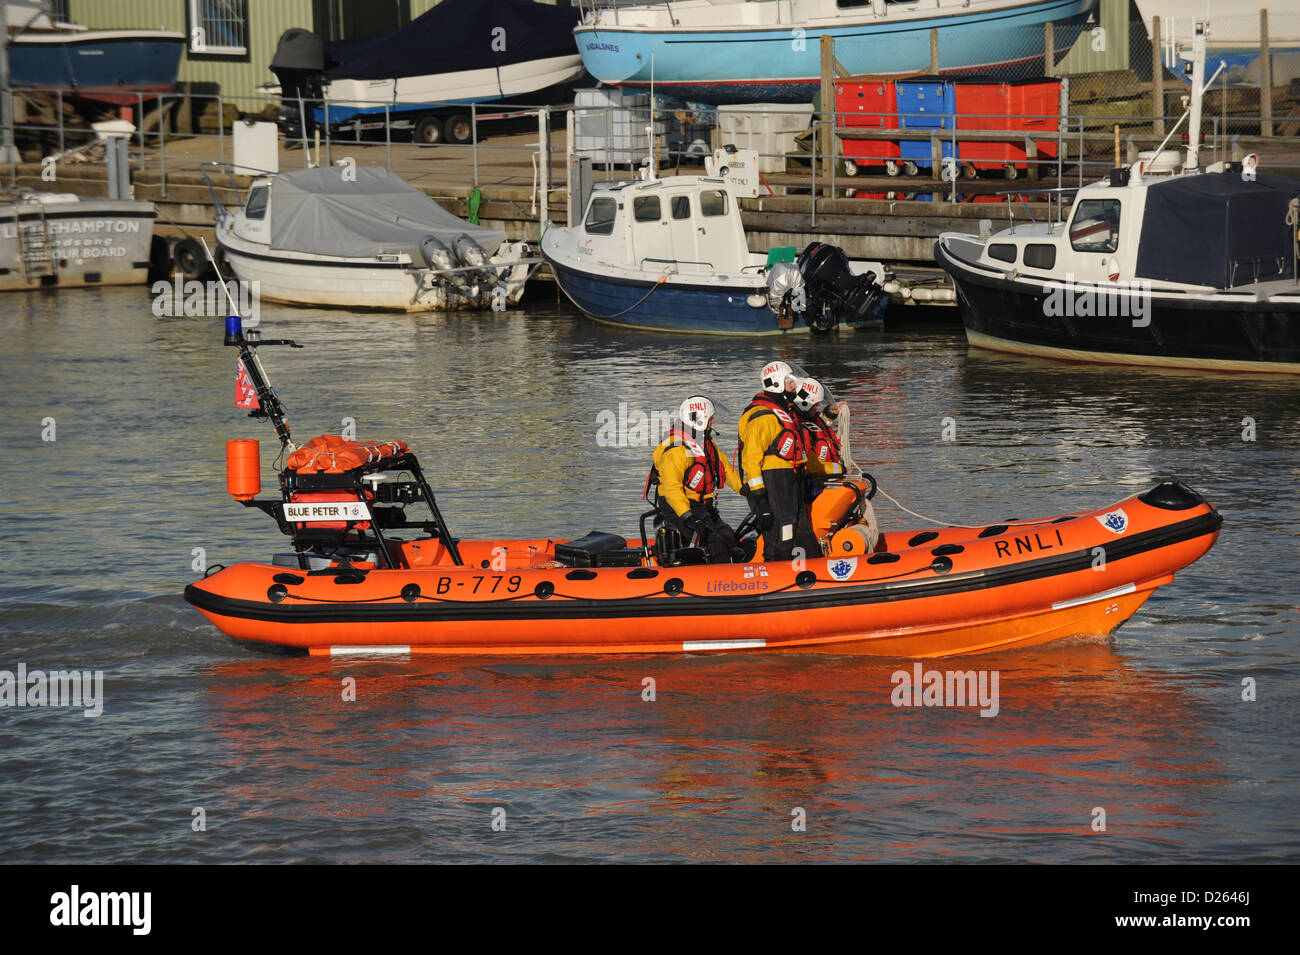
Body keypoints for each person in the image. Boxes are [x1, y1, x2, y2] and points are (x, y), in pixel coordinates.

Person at [736, 361, 821, 562]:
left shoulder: (785, 412)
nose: (795, 386)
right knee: (782, 532)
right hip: (775, 481)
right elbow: (750, 461)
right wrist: (760, 498)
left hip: (791, 479)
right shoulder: (763, 417)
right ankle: (774, 572)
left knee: (802, 531)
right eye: (790, 382)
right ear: (776, 383)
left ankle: (815, 566)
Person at [646, 395, 742, 563]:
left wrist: (749, 490)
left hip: (700, 504)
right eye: (710, 418)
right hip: (679, 506)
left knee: (727, 535)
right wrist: (687, 516)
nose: (714, 421)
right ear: (699, 420)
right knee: (715, 544)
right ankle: (720, 578)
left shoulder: (704, 443)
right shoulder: (677, 450)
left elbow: (725, 470)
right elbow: (672, 488)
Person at [792, 377, 845, 499]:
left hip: (826, 478)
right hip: (815, 483)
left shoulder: (811, 419)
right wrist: (840, 469)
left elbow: (820, 429)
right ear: (804, 403)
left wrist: (830, 414)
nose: (818, 407)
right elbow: (810, 464)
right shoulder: (797, 426)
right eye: (815, 404)